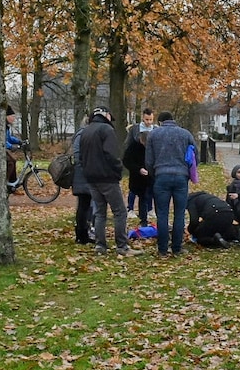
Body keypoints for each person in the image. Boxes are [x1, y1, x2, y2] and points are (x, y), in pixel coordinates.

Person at [79, 106, 141, 257]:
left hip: (91, 178)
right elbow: (112, 155)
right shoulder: (106, 130)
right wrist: (118, 171)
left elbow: (81, 156)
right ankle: (122, 246)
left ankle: (100, 246)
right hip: (107, 178)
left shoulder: (85, 131)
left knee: (100, 213)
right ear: (105, 115)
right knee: (120, 212)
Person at [144, 111, 196, 257]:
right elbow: (194, 155)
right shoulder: (186, 134)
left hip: (161, 176)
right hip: (181, 177)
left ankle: (162, 249)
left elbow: (148, 160)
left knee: (162, 214)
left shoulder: (153, 135)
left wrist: (154, 174)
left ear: (160, 122)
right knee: (179, 214)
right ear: (173, 120)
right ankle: (177, 248)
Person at [123, 108, 155, 226]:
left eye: (150, 119)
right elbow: (127, 158)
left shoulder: (155, 131)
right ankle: (132, 209)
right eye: (147, 119)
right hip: (138, 175)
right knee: (136, 193)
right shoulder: (135, 132)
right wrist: (138, 169)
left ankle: (147, 213)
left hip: (150, 175)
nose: (148, 122)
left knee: (148, 195)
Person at [70, 118, 94, 244]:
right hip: (83, 175)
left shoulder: (80, 134)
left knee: (83, 205)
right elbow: (79, 155)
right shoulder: (83, 135)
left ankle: (82, 233)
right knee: (84, 206)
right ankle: (82, 234)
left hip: (81, 175)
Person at [4, 106, 23, 184]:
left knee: (13, 160)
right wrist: (11, 146)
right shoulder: (3, 127)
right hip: (1, 149)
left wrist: (19, 141)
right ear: (7, 116)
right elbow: (3, 140)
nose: (14, 119)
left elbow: (9, 138)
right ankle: (5, 183)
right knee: (10, 163)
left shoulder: (7, 126)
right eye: (12, 117)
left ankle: (13, 183)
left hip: (4, 148)